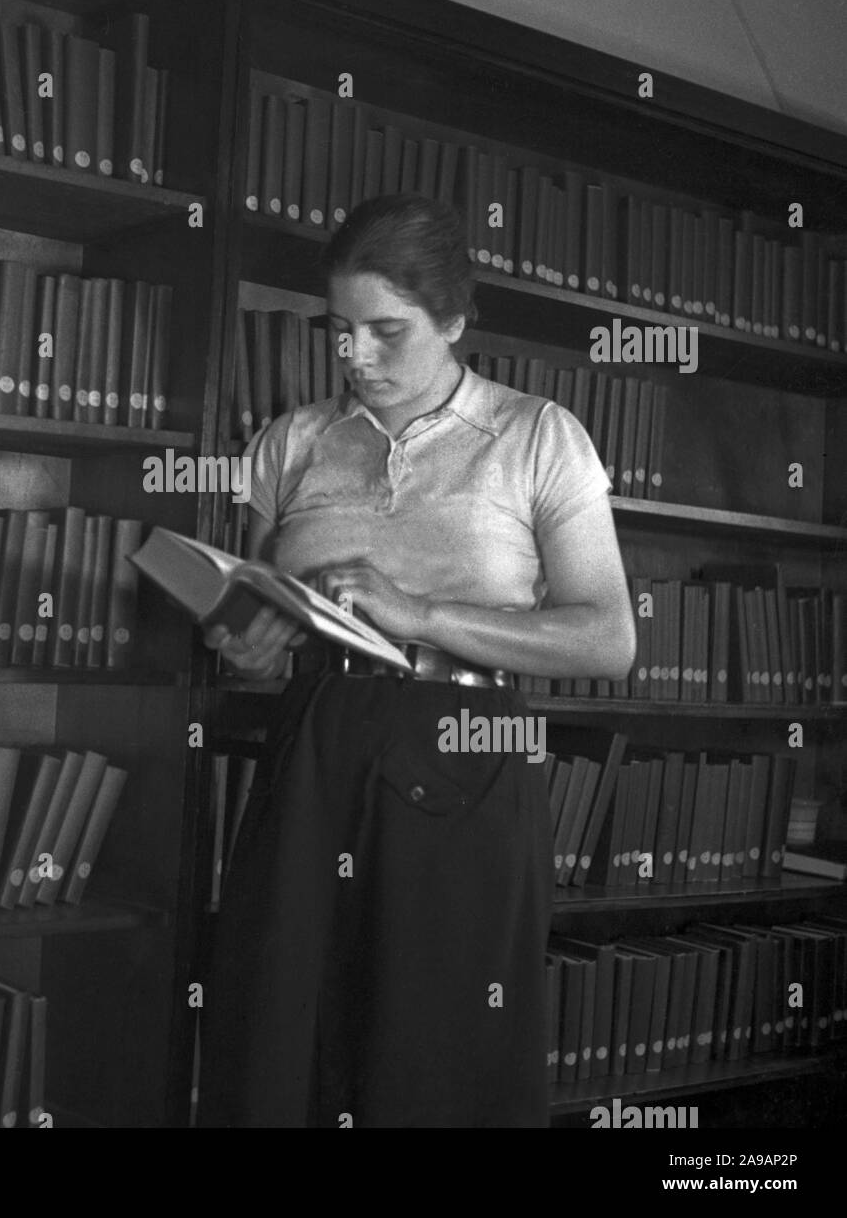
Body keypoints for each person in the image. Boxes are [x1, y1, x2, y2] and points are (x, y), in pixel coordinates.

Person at [196, 192, 636, 1128]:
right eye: (339, 331)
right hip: (312, 743)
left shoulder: (537, 435)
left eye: (385, 331)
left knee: (439, 1046)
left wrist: (421, 612)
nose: (355, 356)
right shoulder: (291, 444)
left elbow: (607, 637)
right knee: (282, 1027)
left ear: (453, 323)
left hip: (466, 750)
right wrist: (246, 648)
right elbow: (262, 656)